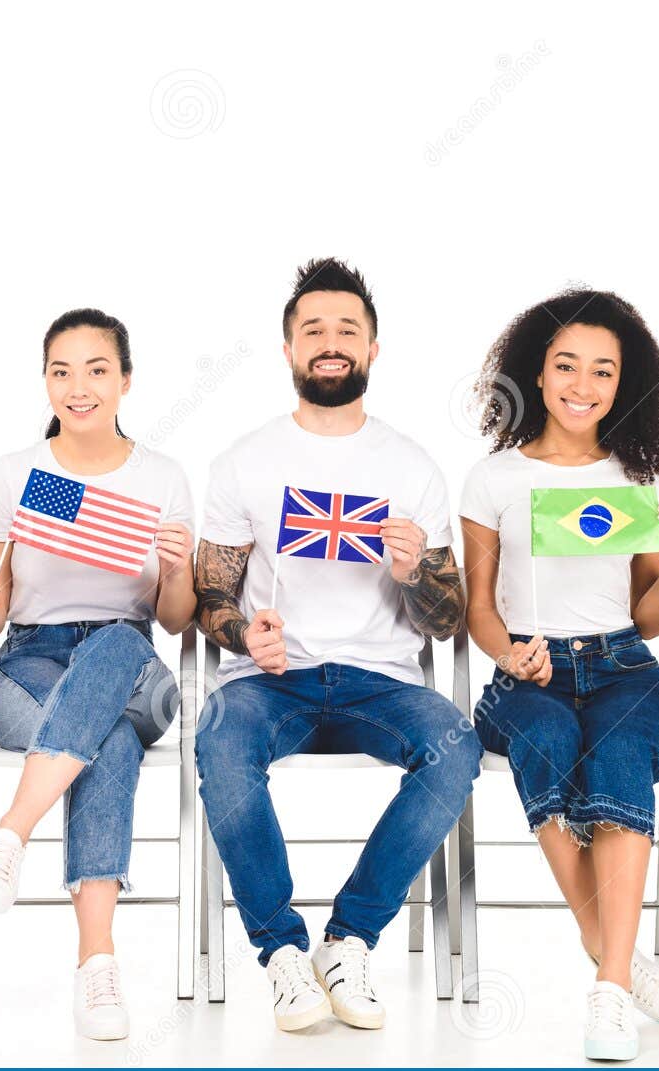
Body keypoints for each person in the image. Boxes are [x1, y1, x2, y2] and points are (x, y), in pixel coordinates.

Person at [193, 258, 478, 1032]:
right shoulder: (244, 461)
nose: (330, 342)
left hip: (380, 681)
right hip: (270, 678)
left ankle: (349, 939)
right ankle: (282, 954)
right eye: (312, 329)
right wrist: (242, 630)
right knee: (219, 740)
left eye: (347, 329)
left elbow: (447, 621)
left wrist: (418, 571)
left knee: (456, 746)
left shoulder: (411, 465)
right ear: (288, 349)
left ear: (373, 349)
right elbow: (209, 597)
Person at [463, 288, 659, 1061]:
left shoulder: (632, 477)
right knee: (548, 740)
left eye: (603, 371)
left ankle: (607, 991)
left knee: (622, 755)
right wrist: (509, 654)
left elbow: (652, 616)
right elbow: (479, 609)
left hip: (623, 666)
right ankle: (622, 962)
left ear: (622, 385)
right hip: (528, 674)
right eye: (566, 365)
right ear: (536, 374)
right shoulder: (494, 479)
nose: (582, 384)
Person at [0, 308, 195, 1041]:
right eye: (62, 371)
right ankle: (98, 964)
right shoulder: (19, 475)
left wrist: (179, 567)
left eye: (96, 370)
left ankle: (11, 833)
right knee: (109, 746)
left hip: (133, 665)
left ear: (125, 380)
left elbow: (177, 621)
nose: (78, 387)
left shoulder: (160, 478)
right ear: (46, 381)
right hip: (28, 661)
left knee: (120, 642)